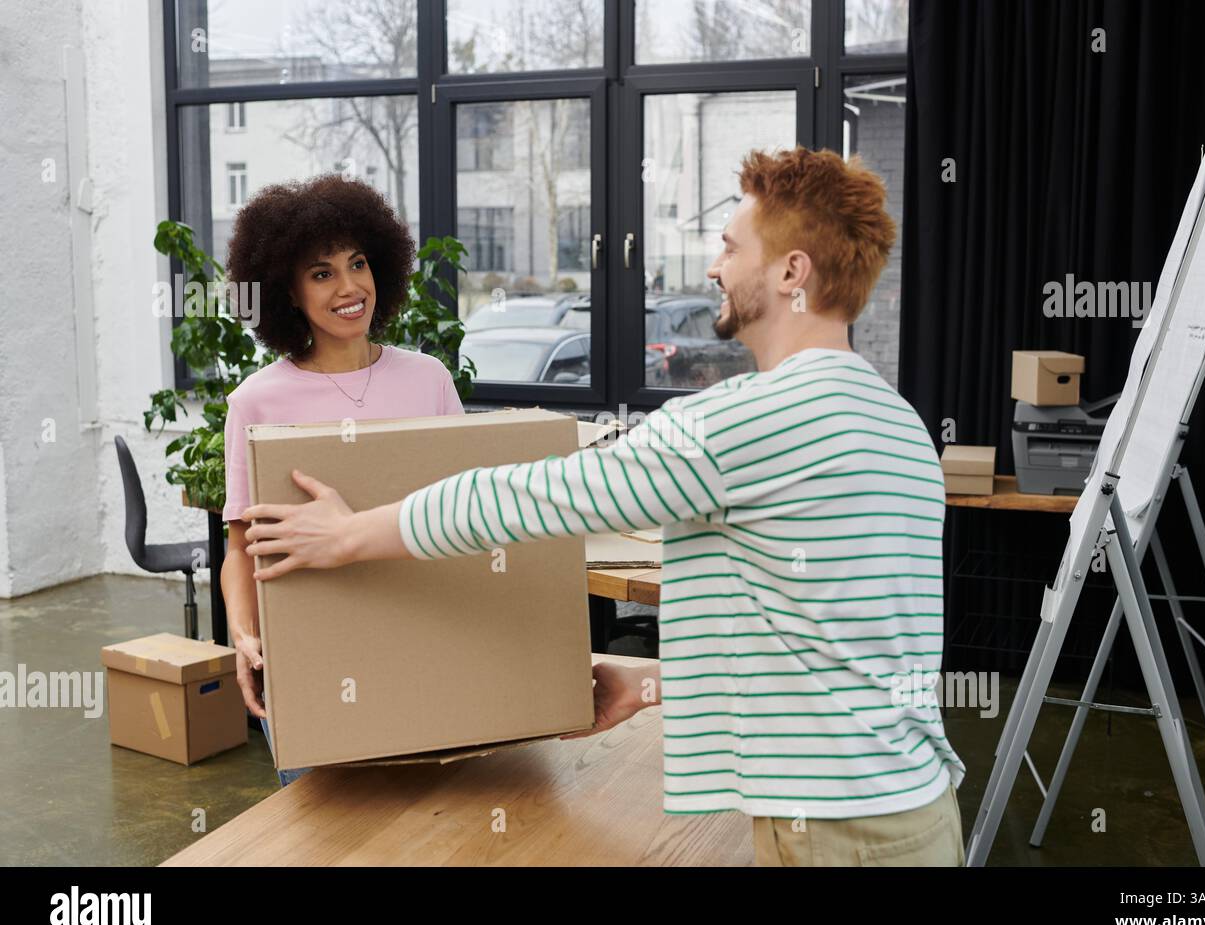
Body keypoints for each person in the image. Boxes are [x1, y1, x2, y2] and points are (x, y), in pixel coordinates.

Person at [241, 147, 966, 865]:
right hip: (915, 812)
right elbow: (817, 649)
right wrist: (648, 682)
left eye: (729, 246)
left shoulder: (738, 422)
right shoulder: (894, 419)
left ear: (790, 271)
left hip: (838, 832)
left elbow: (529, 497)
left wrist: (347, 535)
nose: (714, 267)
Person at [220, 174, 465, 787]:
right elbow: (239, 551)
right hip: (310, 659)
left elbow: (467, 510)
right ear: (288, 292)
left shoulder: (428, 379)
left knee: (433, 831)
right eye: (322, 272)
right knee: (320, 836)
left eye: (358, 263)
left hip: (425, 643)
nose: (350, 287)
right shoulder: (257, 401)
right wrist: (244, 637)